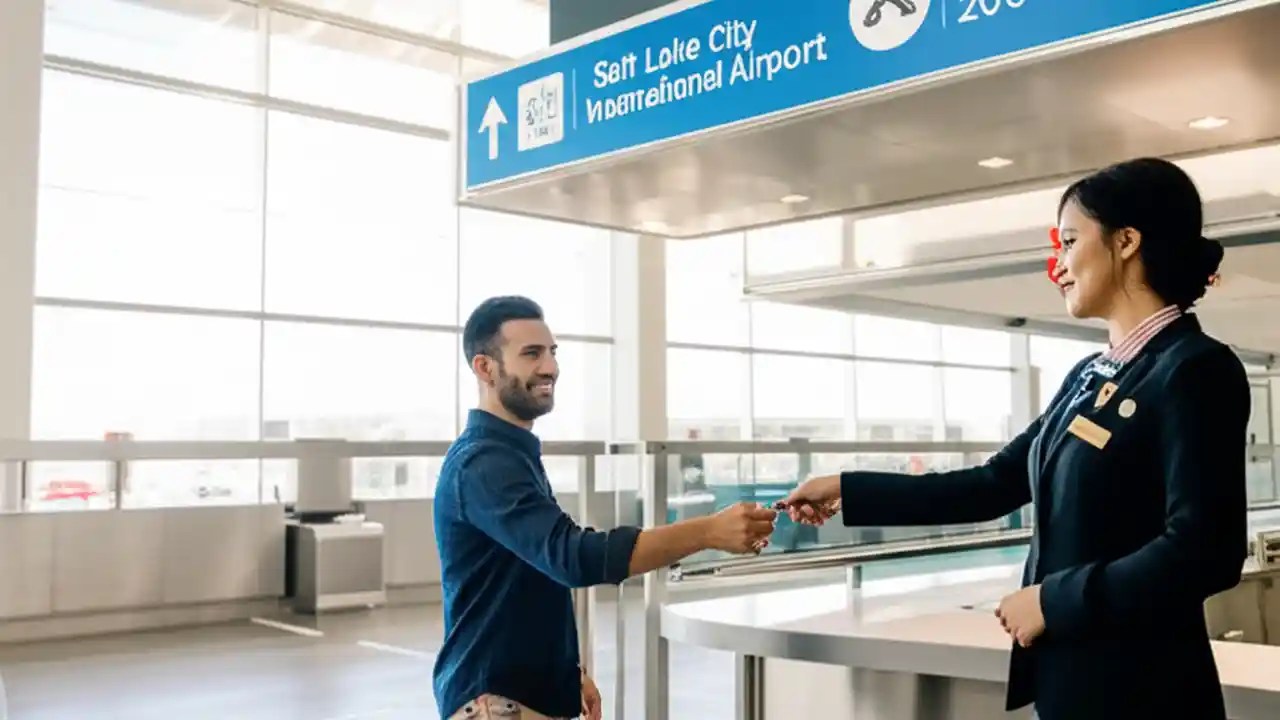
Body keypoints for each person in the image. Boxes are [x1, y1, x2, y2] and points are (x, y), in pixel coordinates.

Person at [780, 157, 1249, 720]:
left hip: (1145, 690)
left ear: (1126, 241)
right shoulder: (1090, 376)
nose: (1060, 265)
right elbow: (991, 484)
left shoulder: (1194, 370)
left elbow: (1205, 551)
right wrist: (847, 490)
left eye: (1071, 241)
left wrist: (1054, 600)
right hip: (1072, 683)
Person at [434, 295, 777, 720]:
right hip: (494, 704)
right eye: (531, 354)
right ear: (485, 368)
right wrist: (707, 532)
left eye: (552, 352)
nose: (550, 368)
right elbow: (572, 557)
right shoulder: (484, 463)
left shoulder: (509, 453)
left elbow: (526, 577)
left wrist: (565, 673)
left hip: (517, 697)